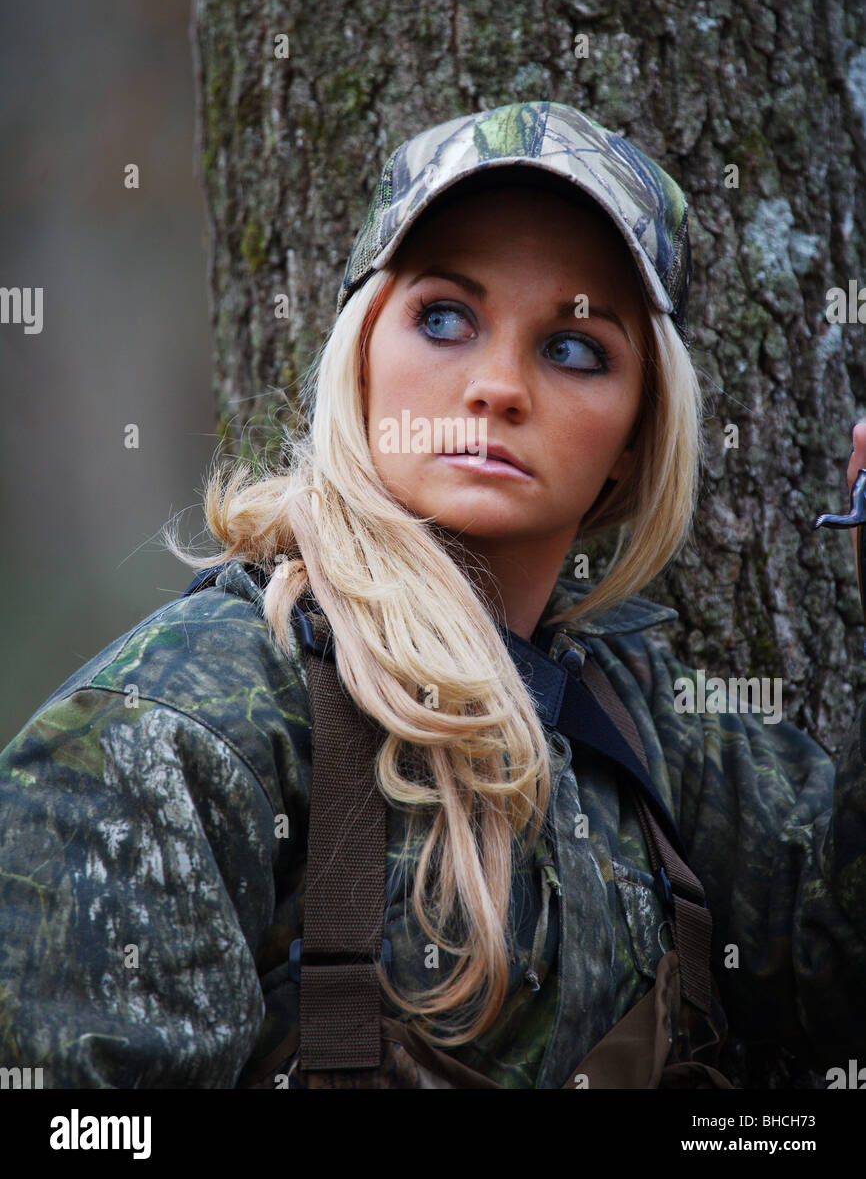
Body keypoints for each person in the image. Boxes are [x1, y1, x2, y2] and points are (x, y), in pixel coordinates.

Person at [1, 99, 864, 1091]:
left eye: (573, 347)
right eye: (444, 318)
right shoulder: (180, 720)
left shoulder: (654, 735)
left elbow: (834, 973)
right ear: (361, 355)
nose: (497, 386)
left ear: (634, 439)